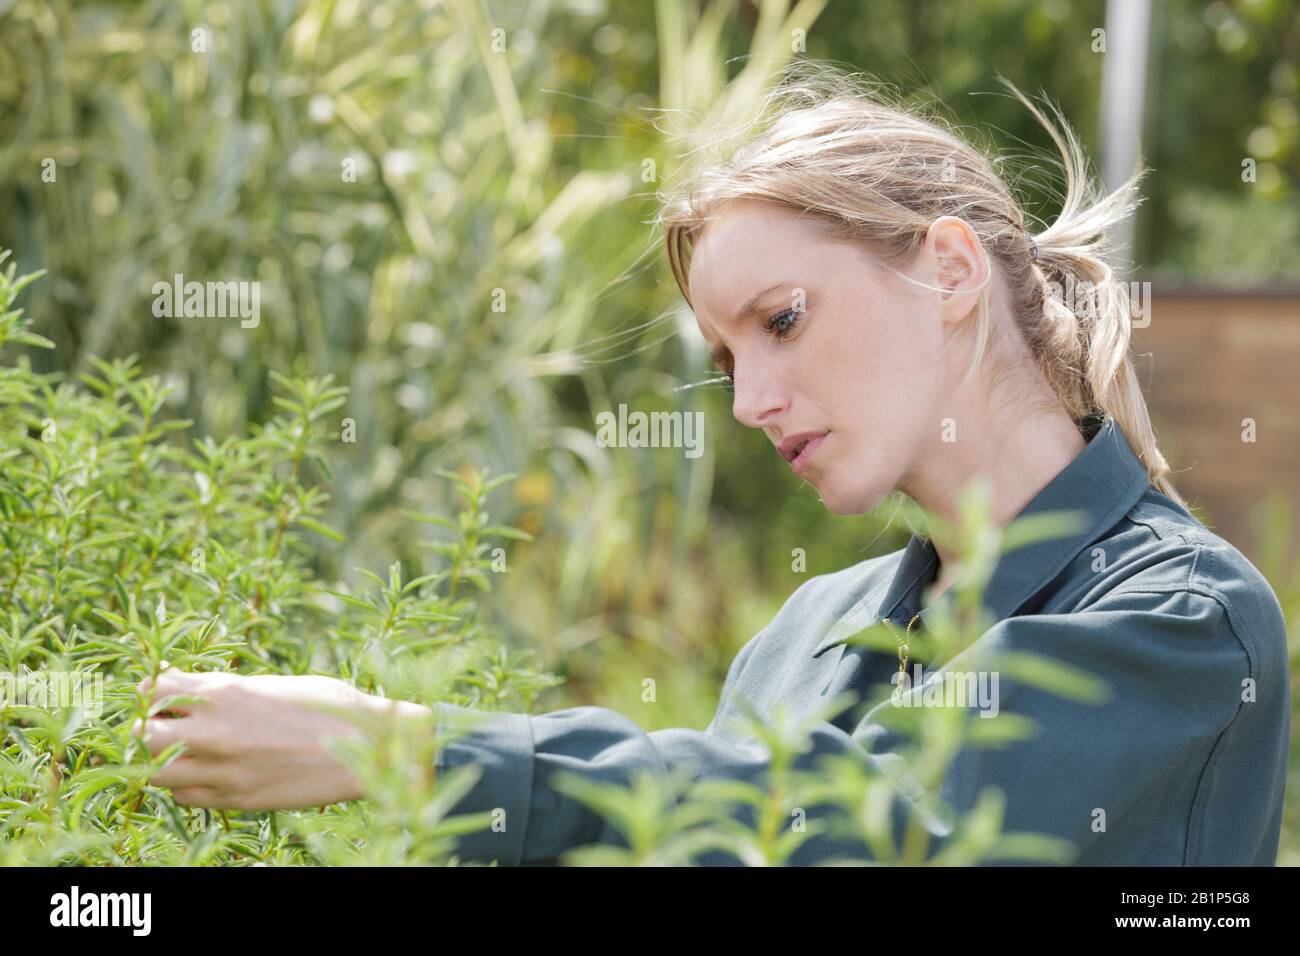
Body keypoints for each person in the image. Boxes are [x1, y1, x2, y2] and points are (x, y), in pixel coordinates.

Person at [137, 63, 1290, 866]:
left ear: (947, 272)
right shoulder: (803, 633)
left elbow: (873, 831)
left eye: (780, 320)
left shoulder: (1183, 620)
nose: (748, 400)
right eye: (725, 355)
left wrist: (396, 748)